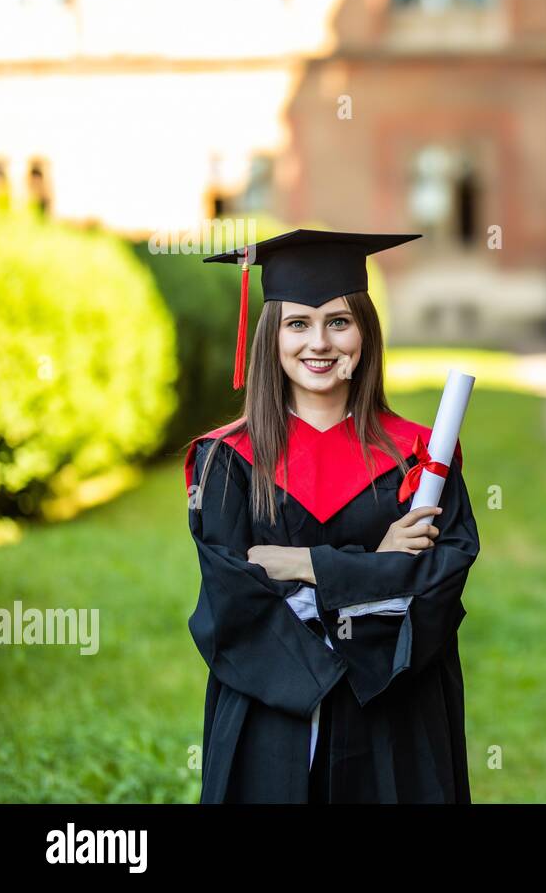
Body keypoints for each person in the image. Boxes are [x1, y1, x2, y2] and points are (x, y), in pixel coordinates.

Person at [184, 229, 479, 803]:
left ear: (366, 333)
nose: (319, 342)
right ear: (271, 335)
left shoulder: (421, 458)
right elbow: (232, 600)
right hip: (273, 715)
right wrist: (379, 567)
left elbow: (439, 584)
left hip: (396, 714)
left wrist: (299, 565)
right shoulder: (226, 460)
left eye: (339, 322)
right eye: (298, 323)